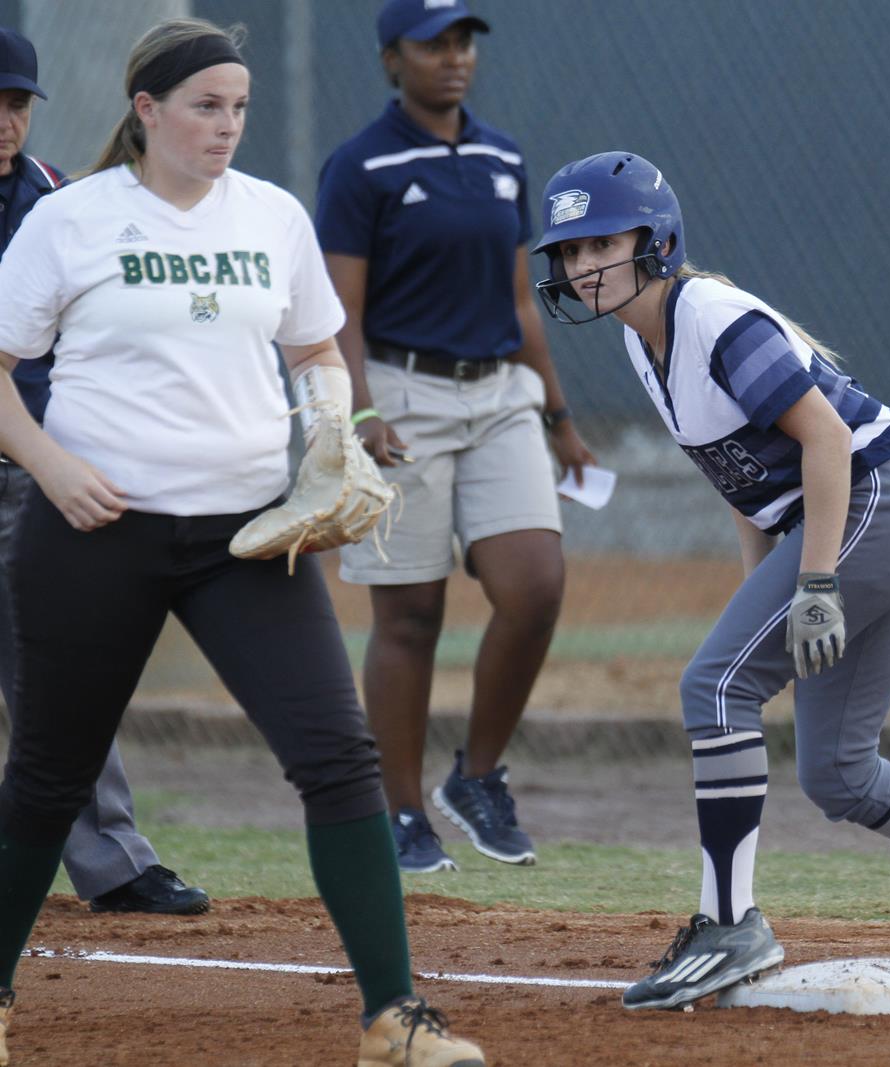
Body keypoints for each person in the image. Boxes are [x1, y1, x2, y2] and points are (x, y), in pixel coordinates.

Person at [0, 18, 483, 1064]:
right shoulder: (72, 219)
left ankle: (393, 1018)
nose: (227, 126)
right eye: (206, 106)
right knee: (49, 774)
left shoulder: (271, 215)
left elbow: (316, 349)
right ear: (147, 111)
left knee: (338, 758)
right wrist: (49, 464)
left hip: (249, 538)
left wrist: (330, 431)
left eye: (240, 108)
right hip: (97, 529)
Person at [531, 151, 890, 1010]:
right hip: (865, 513)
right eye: (570, 251)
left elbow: (826, 438)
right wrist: (763, 601)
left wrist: (816, 583)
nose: (583, 266)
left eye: (601, 243)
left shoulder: (710, 318)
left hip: (880, 498)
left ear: (658, 241)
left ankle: (729, 922)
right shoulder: (644, 342)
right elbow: (745, 487)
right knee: (838, 772)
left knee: (714, 685)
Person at [315, 0, 593, 875]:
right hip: (401, 393)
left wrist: (559, 417)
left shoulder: (502, 157)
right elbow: (339, 313)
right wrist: (361, 414)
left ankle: (475, 777)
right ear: (392, 58)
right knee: (411, 614)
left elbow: (520, 302)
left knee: (536, 585)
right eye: (434, 43)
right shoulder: (360, 165)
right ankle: (401, 812)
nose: (455, 56)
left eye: (464, 40)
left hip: (501, 394)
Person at [0, 25, 208, 918]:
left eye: (16, 104)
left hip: (32, 471)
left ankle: (114, 861)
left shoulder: (58, 200)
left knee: (62, 673)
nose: (5, 122)